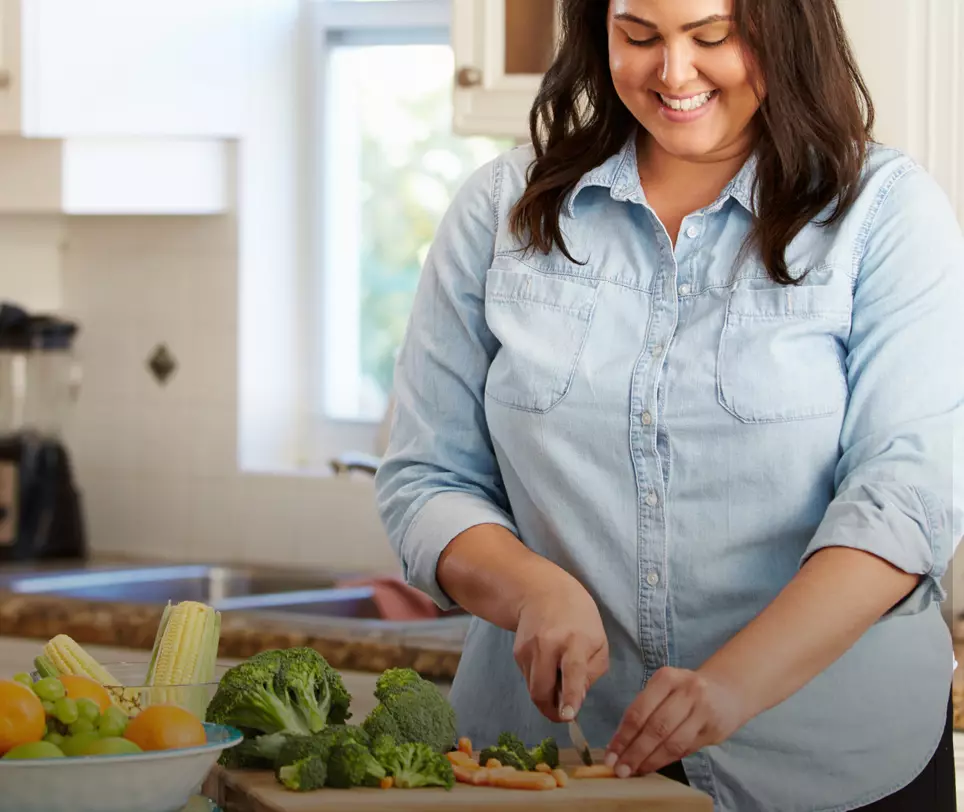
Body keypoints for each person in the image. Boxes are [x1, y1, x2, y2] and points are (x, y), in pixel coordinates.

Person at [374, 0, 964, 809]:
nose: (673, 72)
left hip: (830, 761)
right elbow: (425, 478)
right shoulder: (501, 210)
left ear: (785, 28)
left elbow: (904, 501)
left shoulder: (883, 214)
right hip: (549, 767)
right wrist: (531, 588)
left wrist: (734, 686)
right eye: (639, 36)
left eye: (712, 37)